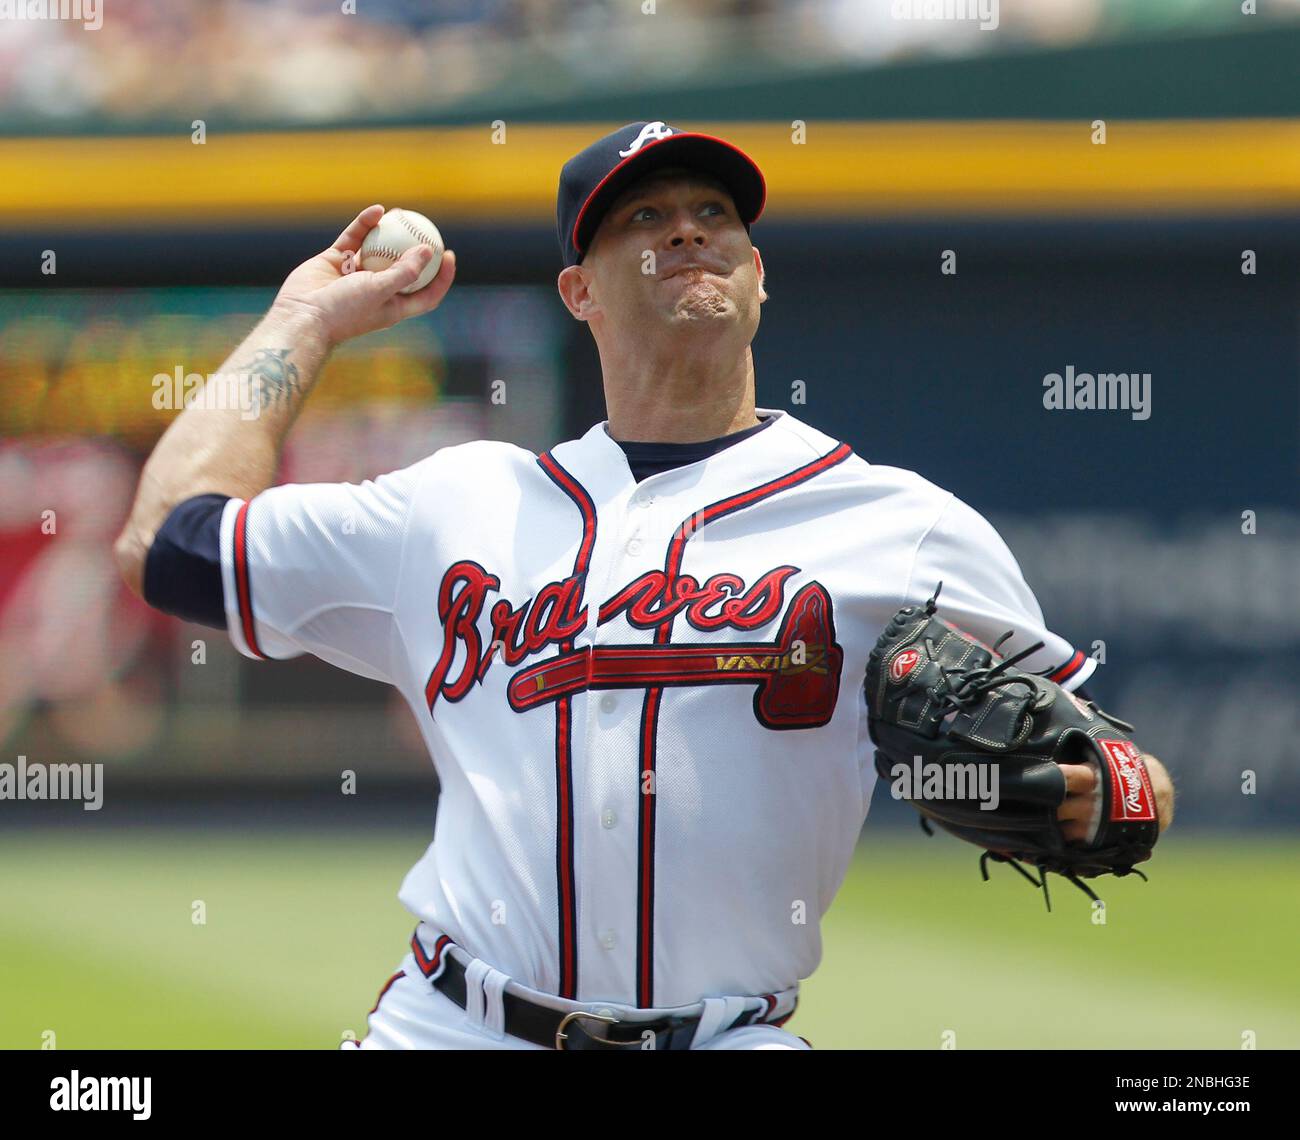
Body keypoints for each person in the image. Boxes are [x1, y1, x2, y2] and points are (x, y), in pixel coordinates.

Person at [115, 121, 1174, 1051]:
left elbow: (1124, 771)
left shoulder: (898, 524)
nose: (686, 231)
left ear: (759, 275)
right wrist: (304, 322)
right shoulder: (456, 505)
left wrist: (1103, 797)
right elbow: (167, 544)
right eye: (642, 217)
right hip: (454, 1025)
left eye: (715, 213)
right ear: (579, 291)